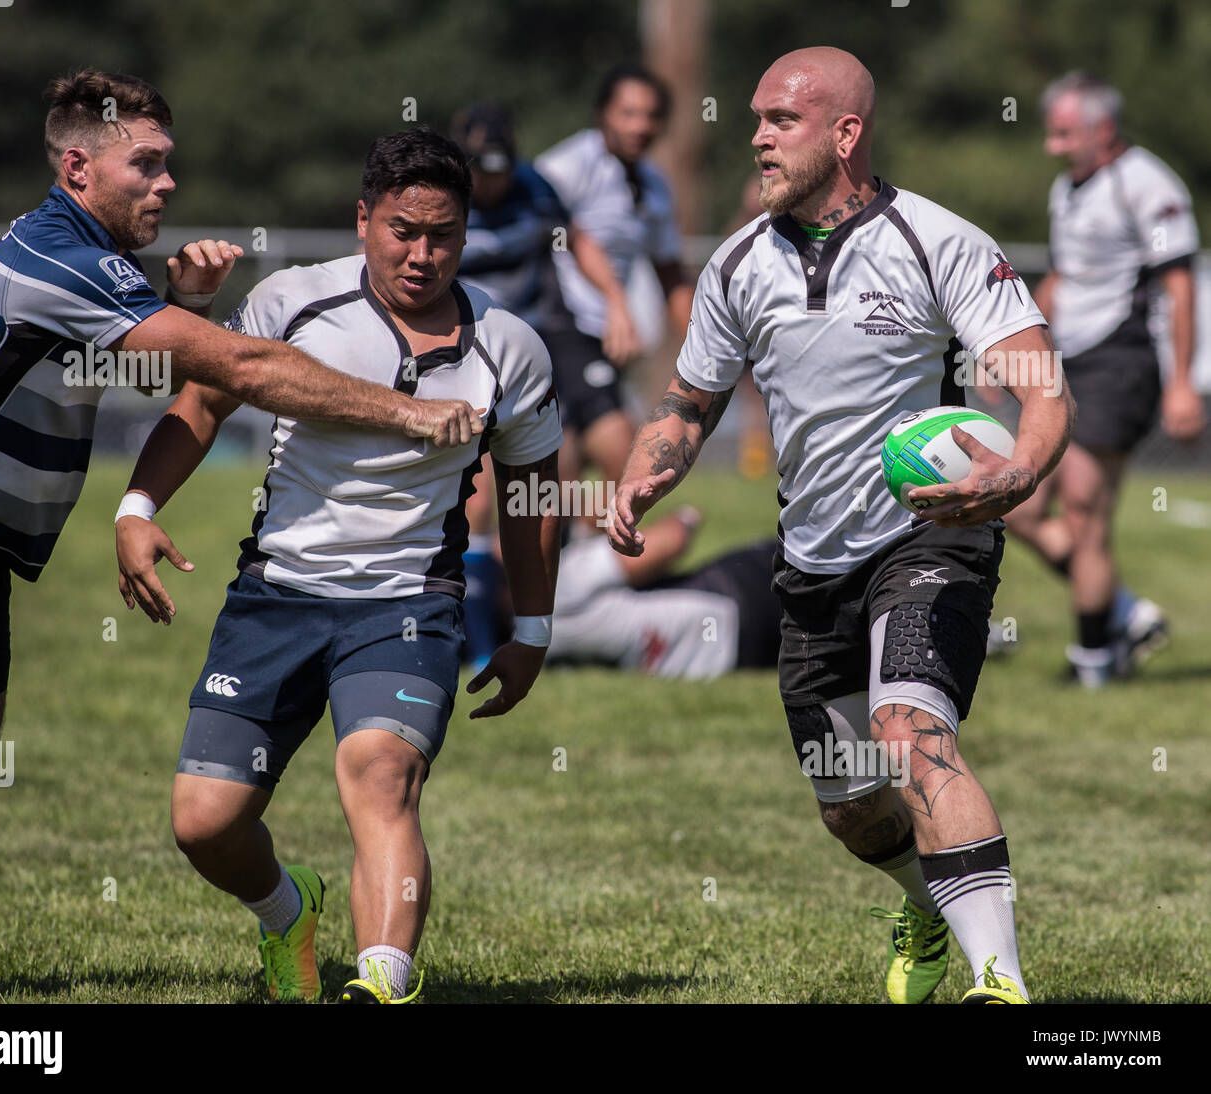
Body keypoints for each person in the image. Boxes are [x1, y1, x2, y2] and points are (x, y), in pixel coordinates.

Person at [0, 71, 481, 992]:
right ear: (78, 167)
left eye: (169, 164)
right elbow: (244, 369)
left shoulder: (93, 270)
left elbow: (159, 386)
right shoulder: (60, 260)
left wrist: (191, 312)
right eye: (146, 165)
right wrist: (406, 412)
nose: (167, 185)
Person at [608, 47, 1075, 1005]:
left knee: (910, 733)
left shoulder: (936, 241)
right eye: (756, 119)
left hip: (929, 536)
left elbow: (1039, 381)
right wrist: (641, 476)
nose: (758, 137)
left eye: (781, 120)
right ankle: (924, 903)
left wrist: (1019, 471)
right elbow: (688, 405)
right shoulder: (737, 263)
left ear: (845, 134)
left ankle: (1003, 987)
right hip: (810, 560)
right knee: (853, 808)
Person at [115, 127, 562, 1004]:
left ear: (467, 235)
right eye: (402, 229)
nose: (422, 254)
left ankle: (383, 982)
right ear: (363, 220)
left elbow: (531, 496)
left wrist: (534, 630)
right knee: (205, 824)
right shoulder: (292, 302)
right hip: (275, 595)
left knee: (380, 773)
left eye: (444, 236)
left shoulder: (509, 347)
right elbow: (202, 400)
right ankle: (288, 911)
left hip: (409, 604)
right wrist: (137, 509)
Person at [1001, 71, 1203, 686]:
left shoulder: (1147, 183)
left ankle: (1094, 660)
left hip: (1126, 362)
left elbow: (1179, 282)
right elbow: (1063, 279)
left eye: (1064, 134)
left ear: (1103, 129)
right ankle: (1125, 612)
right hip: (1072, 360)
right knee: (1019, 505)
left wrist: (1182, 382)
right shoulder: (1069, 188)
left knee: (1084, 508)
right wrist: (1012, 347)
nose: (1052, 146)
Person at [450, 102, 636, 667]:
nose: (494, 179)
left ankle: (596, 594)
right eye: (483, 168)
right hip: (473, 343)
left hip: (549, 335)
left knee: (615, 450)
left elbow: (576, 239)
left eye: (502, 167)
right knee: (484, 495)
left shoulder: (536, 187)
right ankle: (483, 634)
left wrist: (616, 301)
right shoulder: (443, 195)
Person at [535, 63, 695, 492]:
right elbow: (566, 237)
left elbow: (670, 273)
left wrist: (709, 340)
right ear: (602, 113)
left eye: (651, 115)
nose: (640, 125)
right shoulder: (565, 167)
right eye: (628, 113)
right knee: (614, 449)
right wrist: (616, 304)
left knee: (571, 460)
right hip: (558, 326)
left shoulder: (655, 185)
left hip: (604, 336)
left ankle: (580, 552)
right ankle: (573, 553)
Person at [547, 515, 781, 680]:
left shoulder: (532, 638)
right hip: (736, 600)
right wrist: (686, 516)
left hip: (733, 655)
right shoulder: (562, 582)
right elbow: (672, 540)